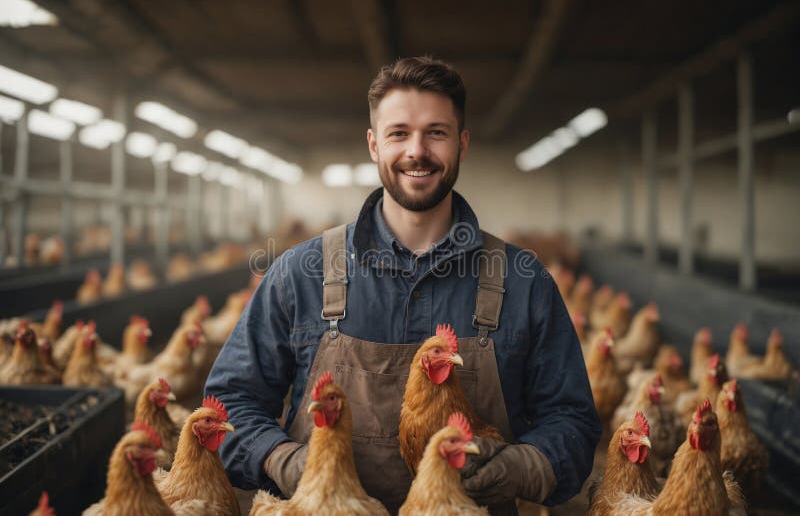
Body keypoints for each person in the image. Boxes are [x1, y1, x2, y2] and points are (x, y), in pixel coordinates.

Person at [205, 56, 601, 514]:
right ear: (374, 145)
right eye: (399, 133)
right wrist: (289, 463)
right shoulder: (301, 273)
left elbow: (573, 421)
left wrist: (516, 467)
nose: (417, 150)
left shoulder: (523, 281)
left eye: (436, 132)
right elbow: (231, 402)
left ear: (462, 144)